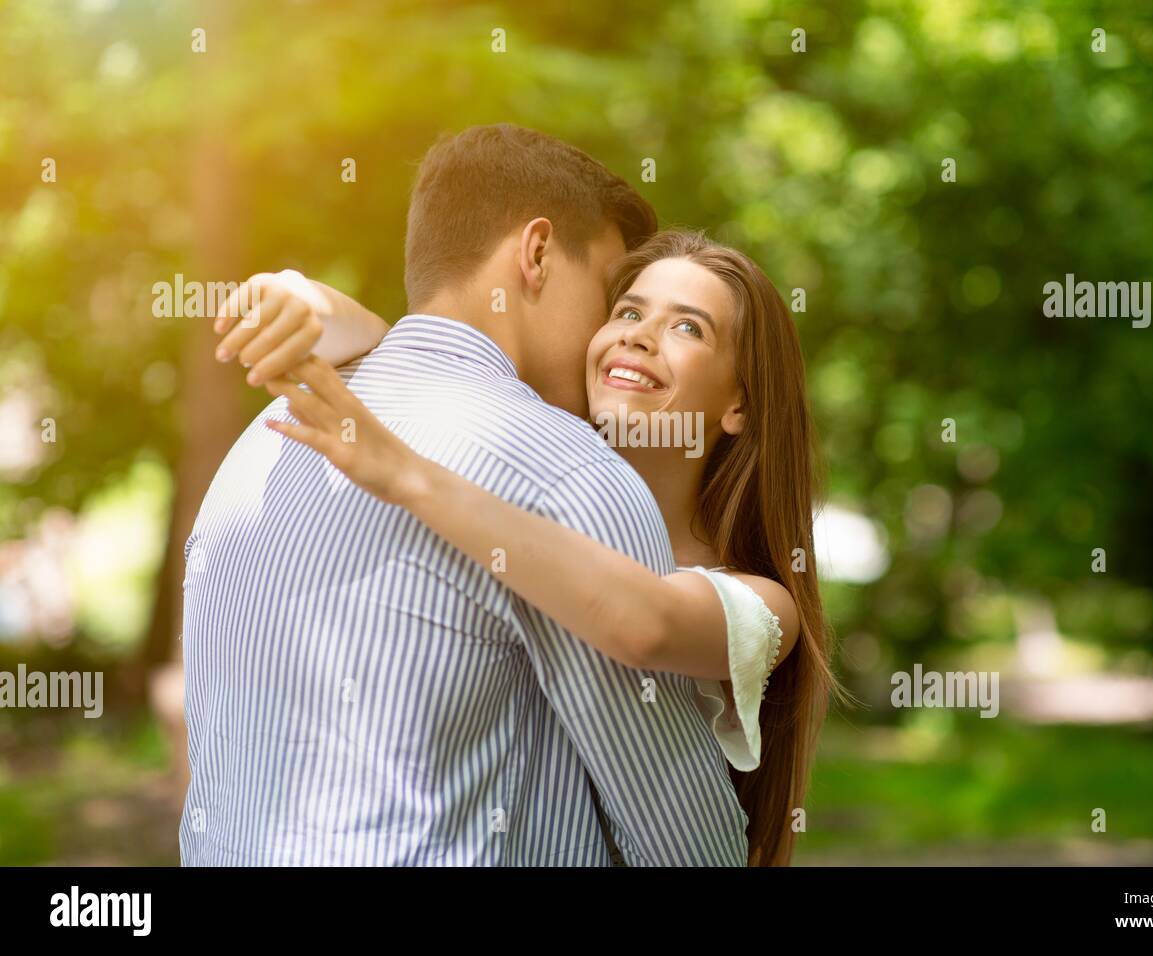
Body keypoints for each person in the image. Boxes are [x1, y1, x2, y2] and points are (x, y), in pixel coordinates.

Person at [181, 124, 749, 866]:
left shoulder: (264, 433)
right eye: (613, 296)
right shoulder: (565, 470)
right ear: (537, 253)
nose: (608, 336)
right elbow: (678, 833)